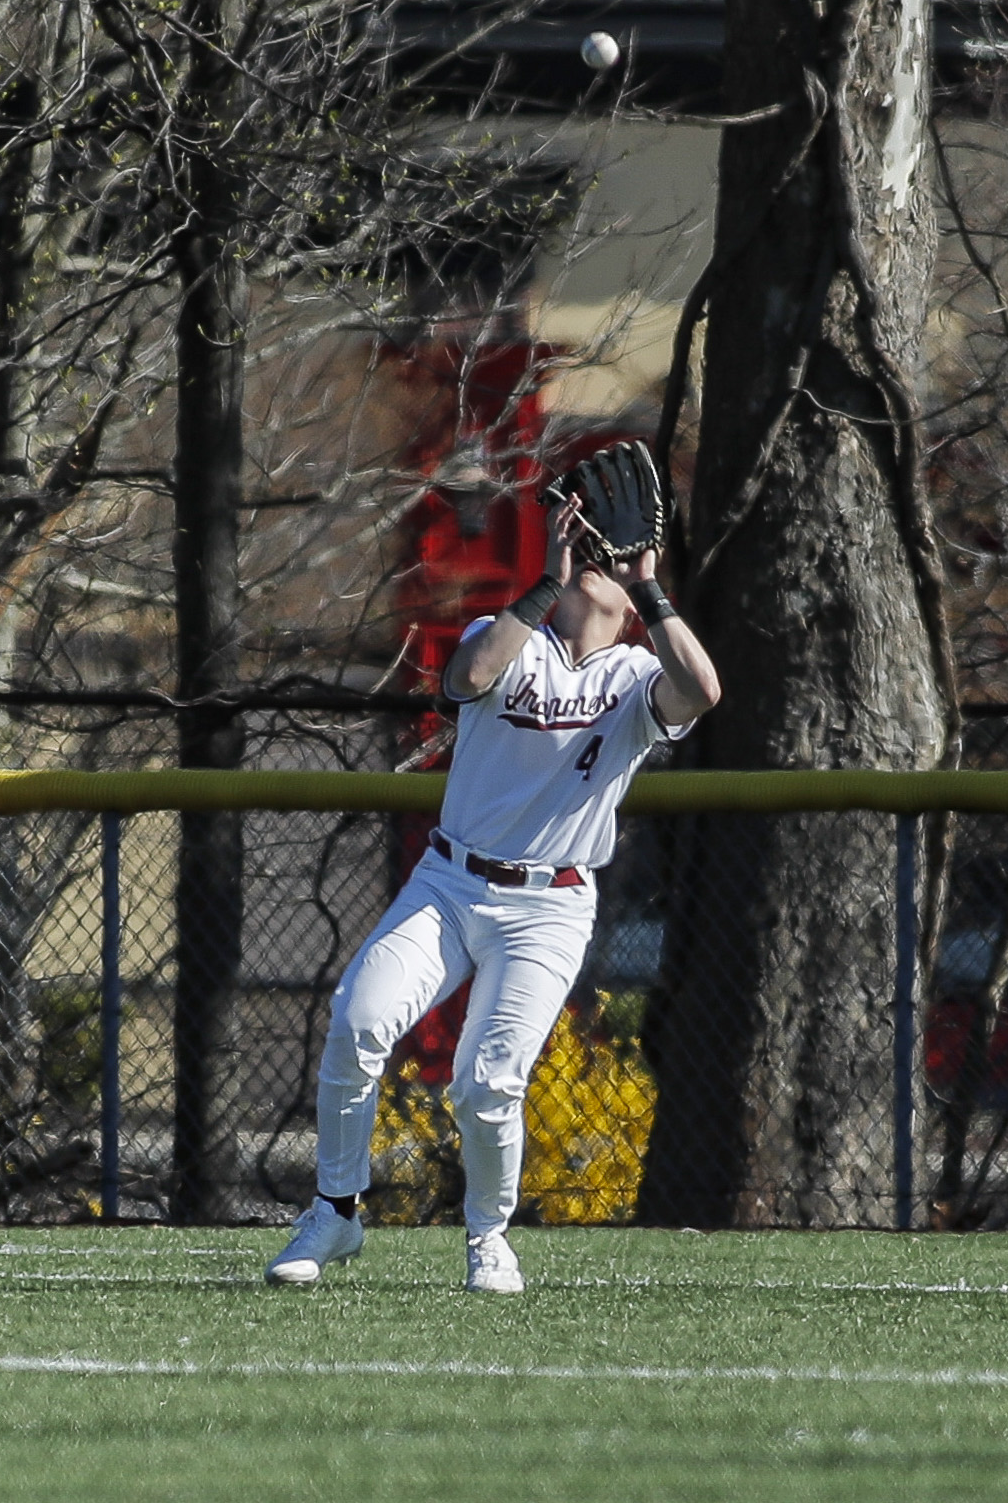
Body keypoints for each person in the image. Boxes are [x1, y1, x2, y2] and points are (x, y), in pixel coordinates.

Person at [266, 484, 720, 1293]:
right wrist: (547, 579)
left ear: (632, 606)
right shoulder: (505, 636)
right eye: (591, 551)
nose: (597, 564)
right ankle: (335, 1213)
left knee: (486, 1083)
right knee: (359, 1018)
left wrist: (649, 584)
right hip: (449, 881)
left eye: (607, 561)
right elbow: (467, 677)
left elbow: (705, 690)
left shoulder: (636, 675)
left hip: (549, 907)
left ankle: (488, 1237)